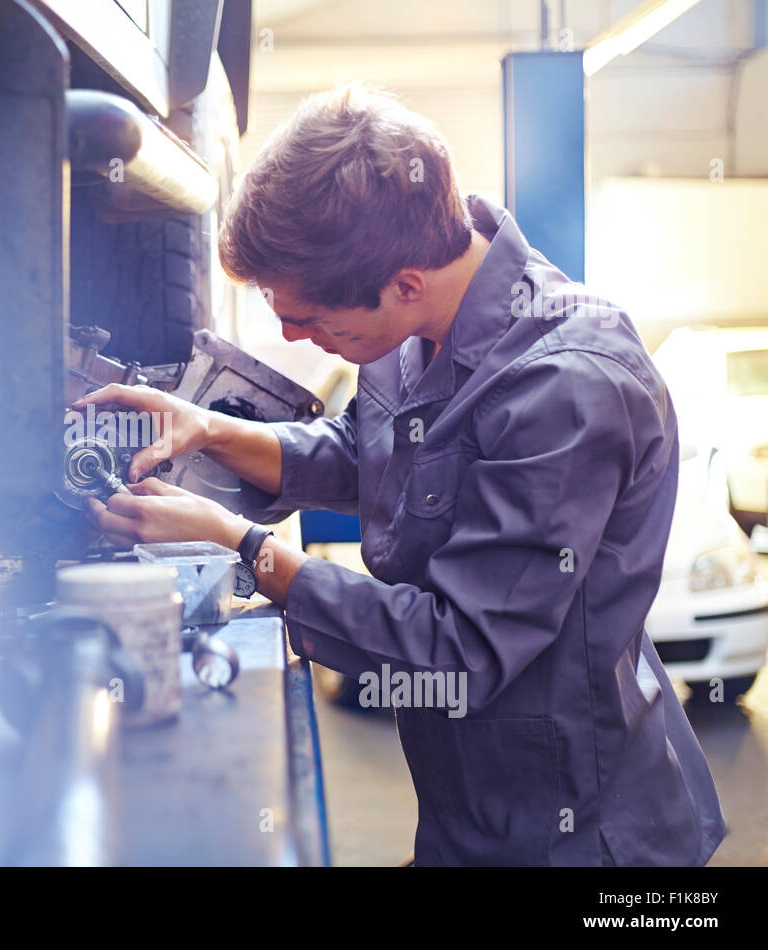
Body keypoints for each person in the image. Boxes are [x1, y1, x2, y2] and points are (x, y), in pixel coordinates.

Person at [78, 84, 725, 866]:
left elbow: (460, 650)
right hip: (468, 807)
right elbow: (368, 455)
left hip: (576, 832)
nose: (291, 334)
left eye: (311, 319)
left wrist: (244, 546)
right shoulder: (416, 321)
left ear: (406, 283)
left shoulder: (566, 388)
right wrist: (210, 429)